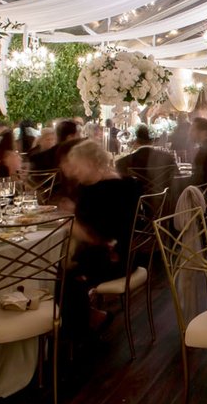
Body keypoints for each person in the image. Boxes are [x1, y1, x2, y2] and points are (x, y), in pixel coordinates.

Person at [60, 140, 143, 336]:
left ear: (91, 163)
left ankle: (87, 321)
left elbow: (100, 237)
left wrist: (72, 224)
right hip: (122, 254)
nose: (75, 172)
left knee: (56, 274)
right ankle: (86, 316)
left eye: (77, 167)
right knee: (56, 267)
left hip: (112, 259)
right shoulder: (118, 184)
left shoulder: (109, 190)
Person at [116, 124, 178, 198]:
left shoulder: (124, 161)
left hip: (137, 201)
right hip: (162, 200)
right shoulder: (168, 157)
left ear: (136, 141)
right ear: (152, 141)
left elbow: (120, 181)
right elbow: (177, 175)